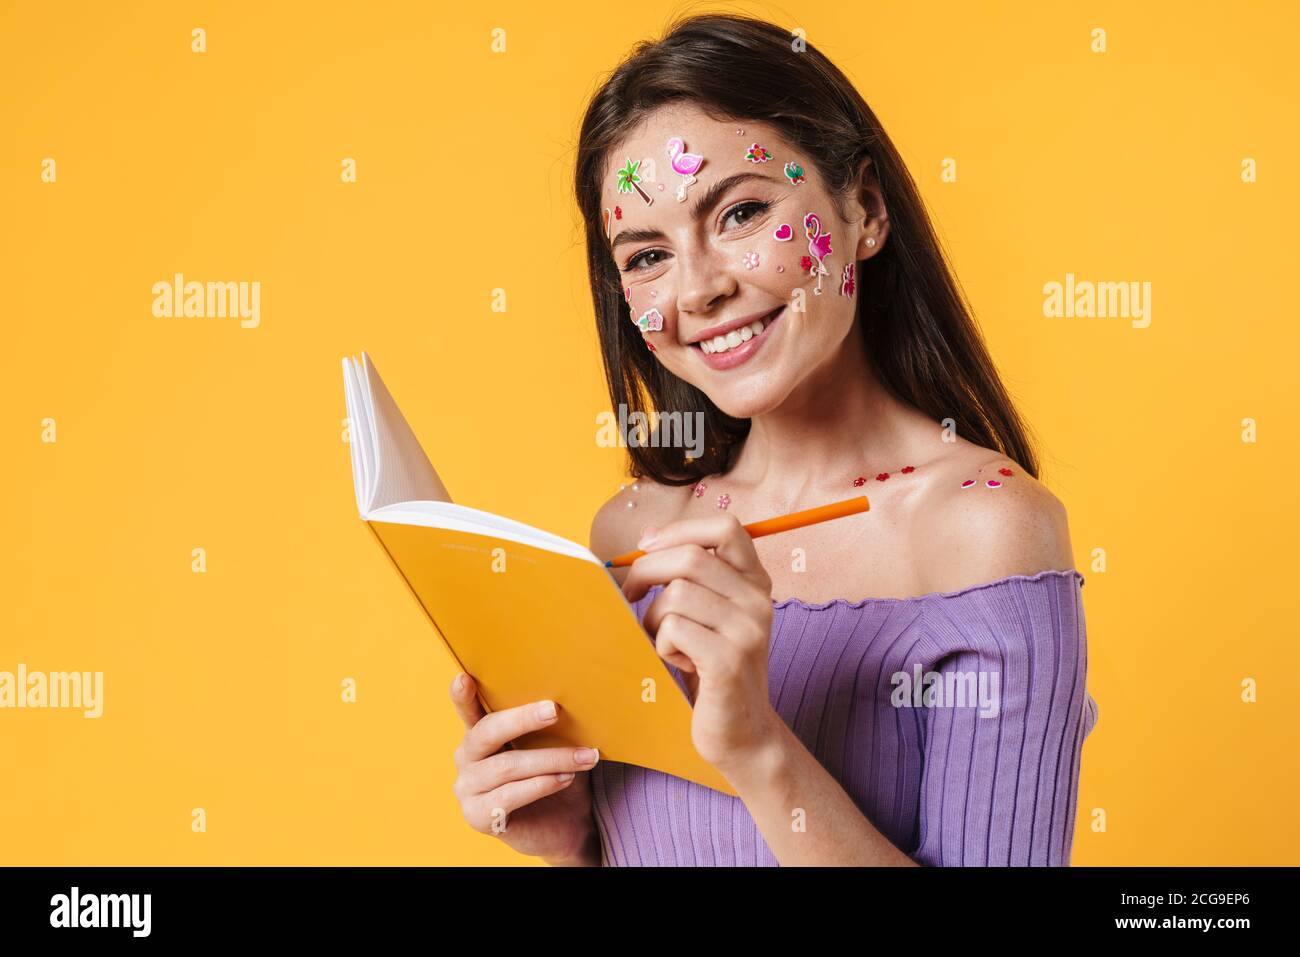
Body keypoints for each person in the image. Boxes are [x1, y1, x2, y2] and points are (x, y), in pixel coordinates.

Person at [448, 12, 1097, 866]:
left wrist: (756, 746)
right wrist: (570, 842)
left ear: (864, 209)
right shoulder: (635, 543)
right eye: (645, 256)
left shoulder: (983, 532)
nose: (701, 288)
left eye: (743, 212)